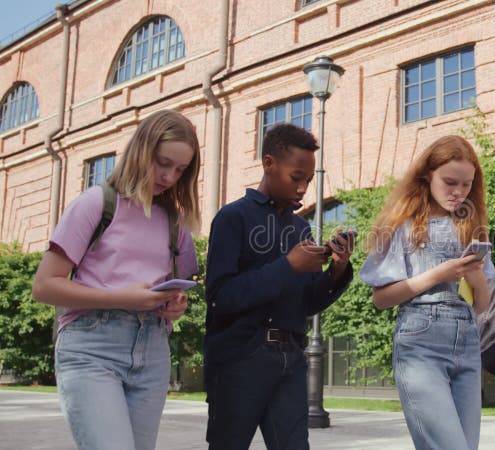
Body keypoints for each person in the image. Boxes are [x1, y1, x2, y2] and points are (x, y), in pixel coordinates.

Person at [32, 109, 202, 450]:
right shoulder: (96, 203)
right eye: (162, 163)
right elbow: (44, 286)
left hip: (152, 351)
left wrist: (175, 306)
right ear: (141, 151)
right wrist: (123, 298)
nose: (169, 176)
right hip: (91, 348)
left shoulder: (176, 222)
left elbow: (173, 288)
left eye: (181, 169)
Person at [203, 123, 354, 450]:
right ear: (268, 164)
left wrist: (338, 267)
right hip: (239, 358)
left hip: (291, 358)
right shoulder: (232, 218)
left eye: (308, 180)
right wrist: (288, 266)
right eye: (296, 177)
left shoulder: (301, 228)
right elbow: (219, 298)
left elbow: (308, 303)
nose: (302, 188)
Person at [359, 135, 495, 450]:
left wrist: (476, 277)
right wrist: (438, 274)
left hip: (467, 341)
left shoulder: (470, 227)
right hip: (421, 344)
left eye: (466, 184)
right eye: (450, 182)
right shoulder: (402, 225)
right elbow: (381, 299)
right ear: (427, 176)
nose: (459, 192)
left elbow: (482, 305)